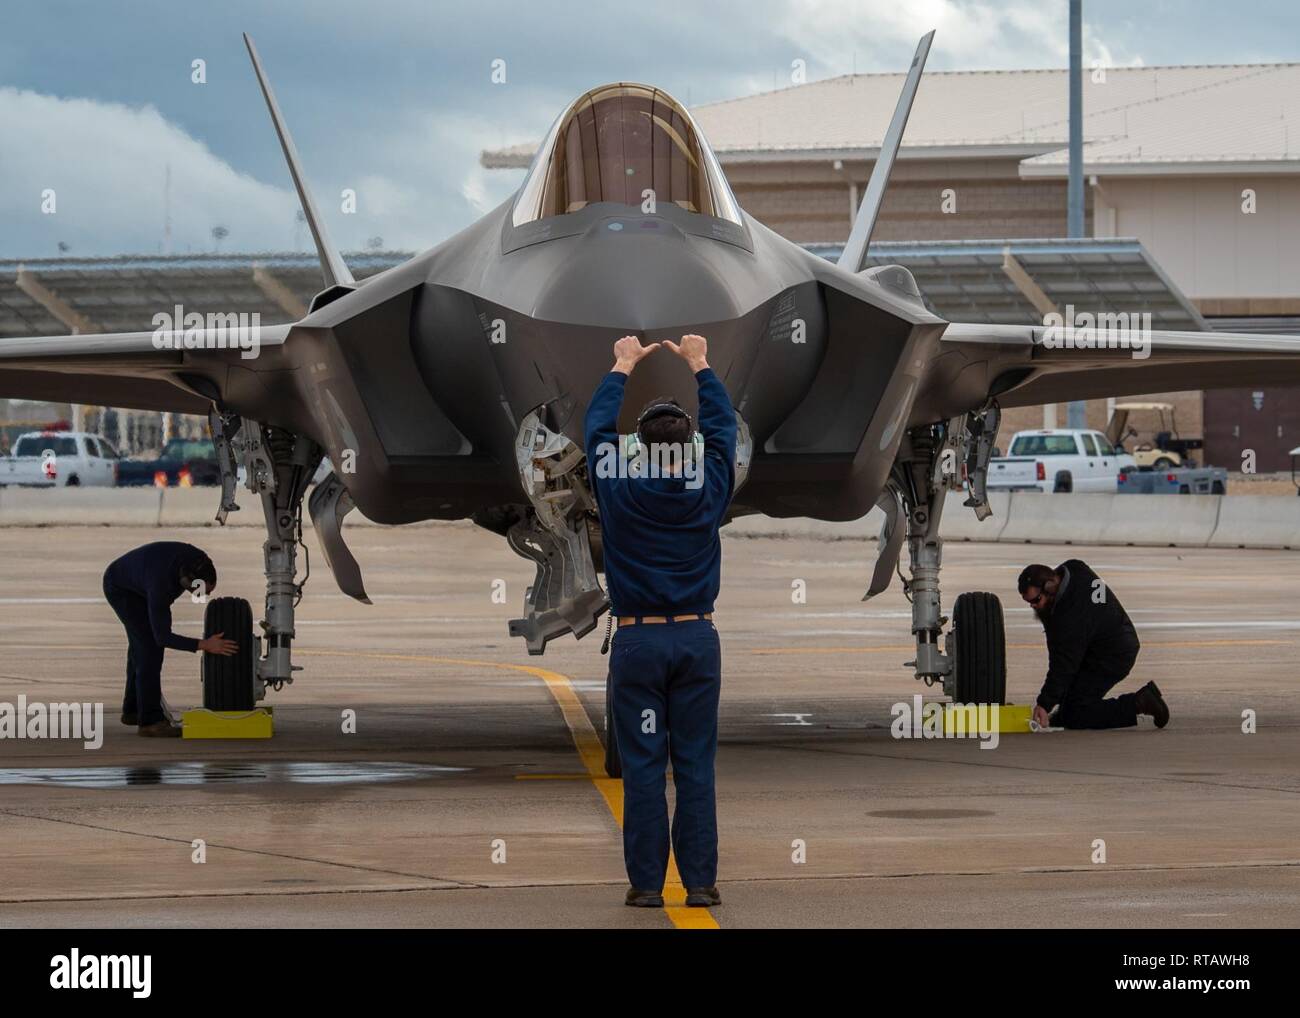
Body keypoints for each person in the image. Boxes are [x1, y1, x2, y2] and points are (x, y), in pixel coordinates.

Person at [585, 333, 737, 908]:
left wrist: (621, 365)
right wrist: (701, 364)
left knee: (644, 767)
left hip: (638, 646)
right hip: (698, 640)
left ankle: (647, 886)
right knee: (695, 764)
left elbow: (596, 433)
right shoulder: (710, 485)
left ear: (638, 446)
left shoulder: (619, 486)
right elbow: (724, 436)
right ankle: (700, 884)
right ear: (690, 445)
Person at [103, 542, 238, 737]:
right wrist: (204, 645)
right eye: (200, 592)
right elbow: (163, 637)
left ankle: (133, 710)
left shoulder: (197, 561)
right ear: (185, 581)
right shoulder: (161, 586)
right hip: (121, 588)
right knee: (149, 650)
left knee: (140, 646)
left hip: (139, 577)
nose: (202, 597)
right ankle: (150, 721)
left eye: (207, 592)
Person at [1018, 560, 1169, 731]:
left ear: (1051, 587)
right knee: (1067, 707)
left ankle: (1139, 702)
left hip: (1113, 655)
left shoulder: (1069, 616)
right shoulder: (1075, 568)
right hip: (1105, 643)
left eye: (1036, 600)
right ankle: (1064, 714)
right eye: (1029, 602)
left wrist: (1044, 704)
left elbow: (1063, 664)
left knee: (1076, 714)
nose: (1033, 606)